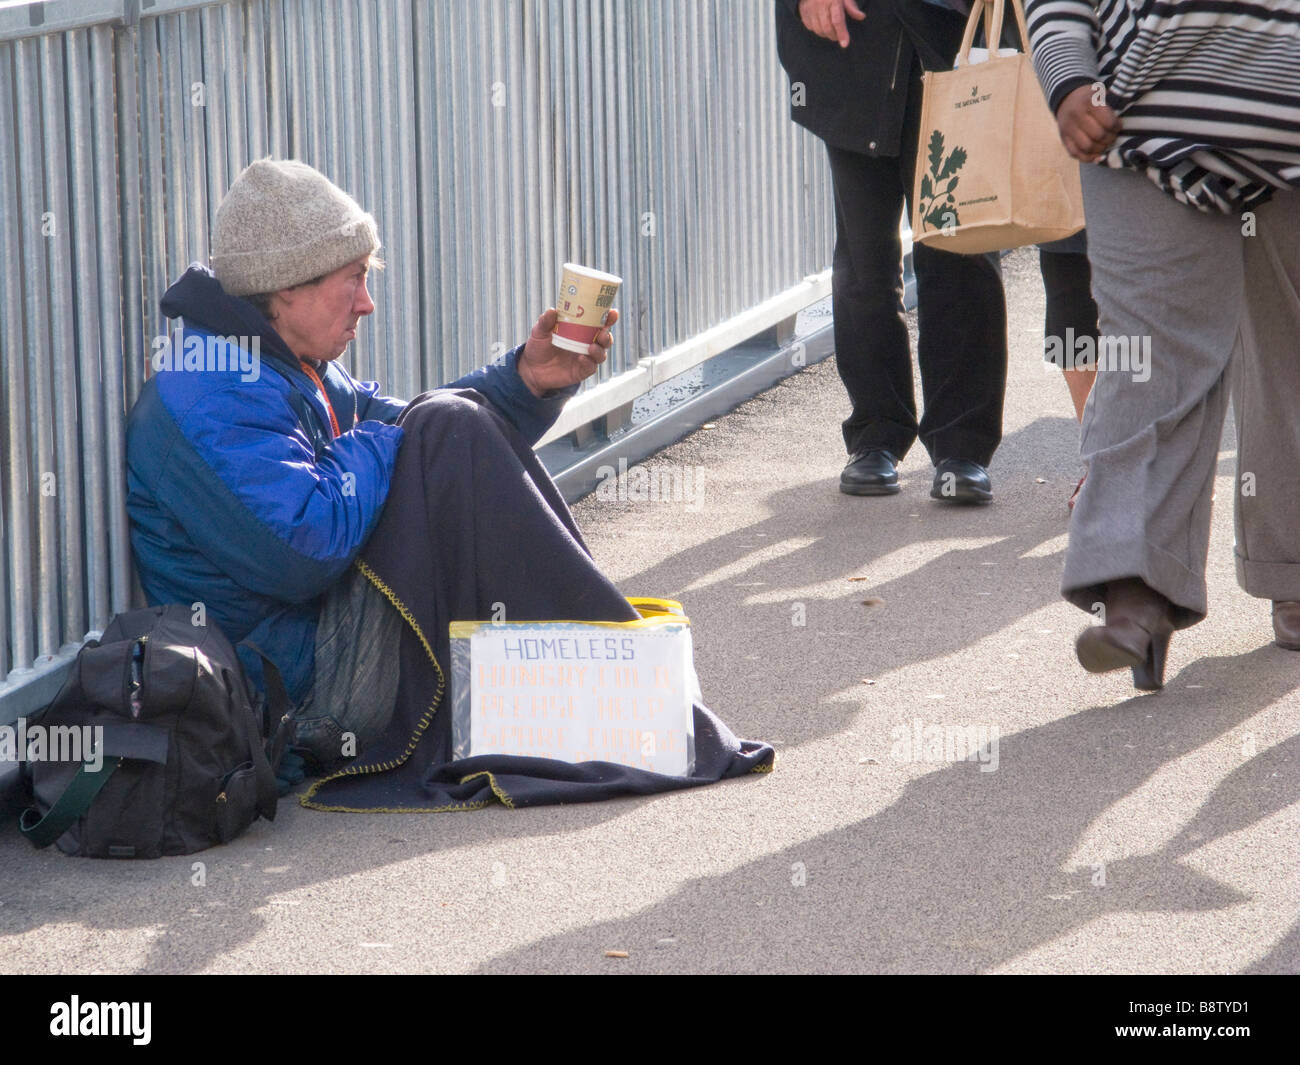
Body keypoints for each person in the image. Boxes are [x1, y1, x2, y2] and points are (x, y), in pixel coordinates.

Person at [126, 159, 773, 803]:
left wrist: (525, 378)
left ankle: (606, 676)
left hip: (331, 643)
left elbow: (413, 430)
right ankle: (618, 683)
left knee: (449, 431)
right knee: (444, 431)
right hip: (305, 692)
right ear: (287, 285)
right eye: (352, 280)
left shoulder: (283, 366)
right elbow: (303, 548)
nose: (367, 303)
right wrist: (395, 437)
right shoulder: (207, 393)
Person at [1026, 0, 1300, 688]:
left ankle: (1293, 568)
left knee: (1291, 352)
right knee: (1145, 357)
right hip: (1145, 119)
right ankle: (1135, 588)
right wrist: (1065, 79)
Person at [775, 0, 1008, 503]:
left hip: (953, 43)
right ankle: (876, 436)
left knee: (960, 248)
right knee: (864, 260)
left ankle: (962, 447)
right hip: (853, 48)